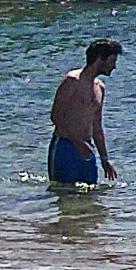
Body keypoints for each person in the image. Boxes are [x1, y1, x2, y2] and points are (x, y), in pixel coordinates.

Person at [49, 38, 121, 188]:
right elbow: (56, 116)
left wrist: (104, 159)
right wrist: (76, 141)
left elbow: (97, 128)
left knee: (90, 196)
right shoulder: (72, 81)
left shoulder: (100, 88)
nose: (114, 66)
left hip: (88, 150)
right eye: (112, 60)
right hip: (66, 147)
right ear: (100, 59)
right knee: (64, 193)